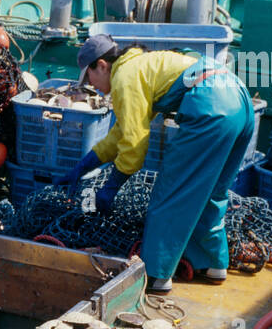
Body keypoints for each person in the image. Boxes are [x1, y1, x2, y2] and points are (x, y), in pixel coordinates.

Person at [60, 34, 255, 295]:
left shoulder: (124, 77)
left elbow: (134, 145)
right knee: (211, 193)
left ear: (102, 66)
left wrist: (112, 185)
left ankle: (156, 276)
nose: (91, 86)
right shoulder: (140, 65)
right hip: (239, 99)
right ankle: (212, 263)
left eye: (89, 78)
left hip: (212, 106)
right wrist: (84, 165)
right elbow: (122, 133)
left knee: (171, 194)